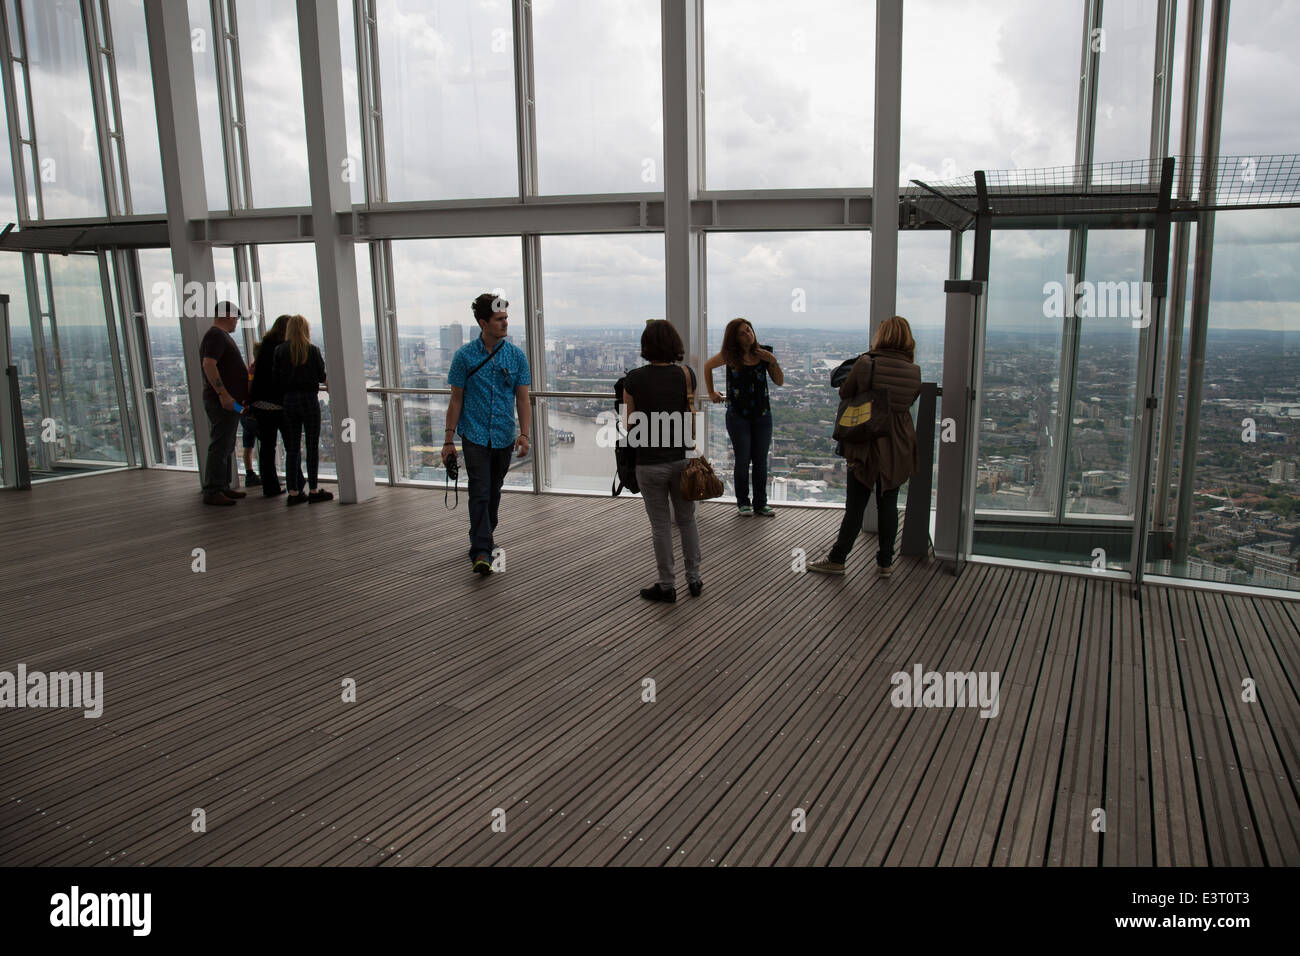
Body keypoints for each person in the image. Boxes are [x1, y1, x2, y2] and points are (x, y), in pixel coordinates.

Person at [809, 315, 921, 577]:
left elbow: (845, 391)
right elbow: (909, 401)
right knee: (888, 502)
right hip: (898, 443)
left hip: (867, 440)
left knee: (856, 504)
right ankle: (885, 563)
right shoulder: (914, 371)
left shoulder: (867, 363)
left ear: (882, 336)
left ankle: (838, 558)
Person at [441, 293, 531, 575]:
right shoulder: (464, 357)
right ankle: (481, 550)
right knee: (479, 490)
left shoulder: (516, 356)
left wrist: (524, 434)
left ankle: (483, 532)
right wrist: (448, 440)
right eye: (499, 319)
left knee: (493, 491)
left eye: (506, 318)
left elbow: (523, 399)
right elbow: (456, 399)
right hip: (475, 435)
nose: (505, 324)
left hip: (503, 436)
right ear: (483, 323)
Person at [622, 320, 702, 602]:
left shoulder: (633, 379)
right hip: (681, 460)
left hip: (649, 462)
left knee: (660, 526)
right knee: (687, 520)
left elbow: (628, 424)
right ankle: (694, 578)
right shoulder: (686, 374)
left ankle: (667, 585)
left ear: (645, 346)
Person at [704, 318, 784, 517]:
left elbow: (779, 381)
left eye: (749, 330)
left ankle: (761, 503)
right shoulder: (730, 356)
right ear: (735, 338)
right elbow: (707, 366)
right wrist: (712, 392)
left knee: (760, 460)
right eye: (742, 332)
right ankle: (743, 502)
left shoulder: (765, 353)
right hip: (737, 416)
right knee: (742, 459)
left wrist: (772, 360)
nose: (748, 334)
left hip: (763, 415)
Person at [273, 314, 332, 506]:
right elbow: (321, 375)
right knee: (312, 446)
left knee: (292, 448)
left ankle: (294, 492)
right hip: (309, 400)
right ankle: (314, 489)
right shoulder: (312, 350)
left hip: (289, 401)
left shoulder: (279, 351)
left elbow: (276, 378)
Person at [198, 300, 249, 506]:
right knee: (221, 443)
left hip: (229, 401)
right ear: (227, 315)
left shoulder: (220, 336)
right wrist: (223, 394)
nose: (236, 322)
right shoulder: (216, 335)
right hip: (223, 401)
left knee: (226, 443)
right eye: (236, 317)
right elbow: (208, 364)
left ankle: (222, 486)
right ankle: (213, 489)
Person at [247, 314, 299, 498]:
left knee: (267, 448)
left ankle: (270, 487)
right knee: (291, 446)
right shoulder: (283, 349)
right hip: (279, 404)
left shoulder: (264, 347)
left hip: (260, 405)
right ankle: (296, 483)